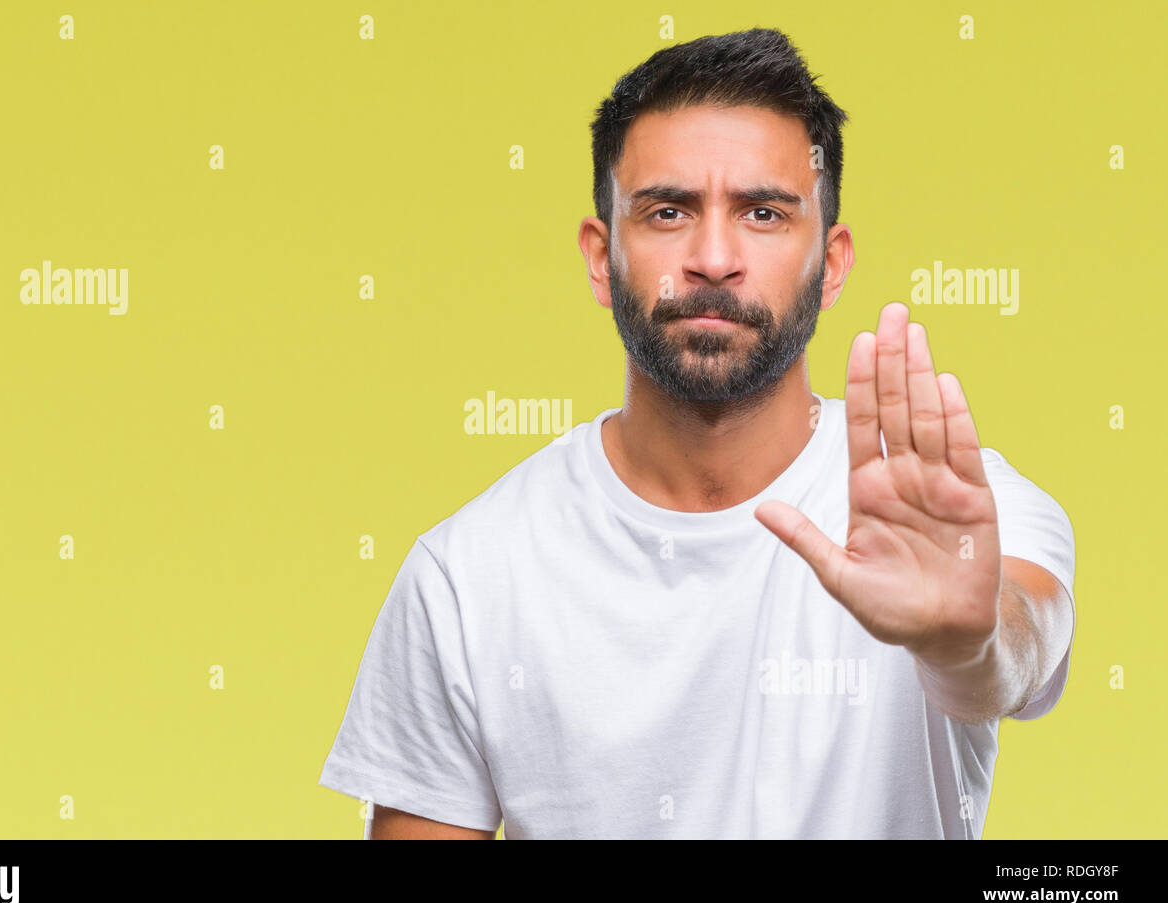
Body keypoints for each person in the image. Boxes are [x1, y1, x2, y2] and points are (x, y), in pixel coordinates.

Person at [318, 28, 1076, 839]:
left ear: (834, 262)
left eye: (763, 213)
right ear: (601, 257)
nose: (714, 257)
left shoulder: (958, 517)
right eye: (669, 211)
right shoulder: (464, 578)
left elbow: (1015, 652)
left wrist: (966, 643)